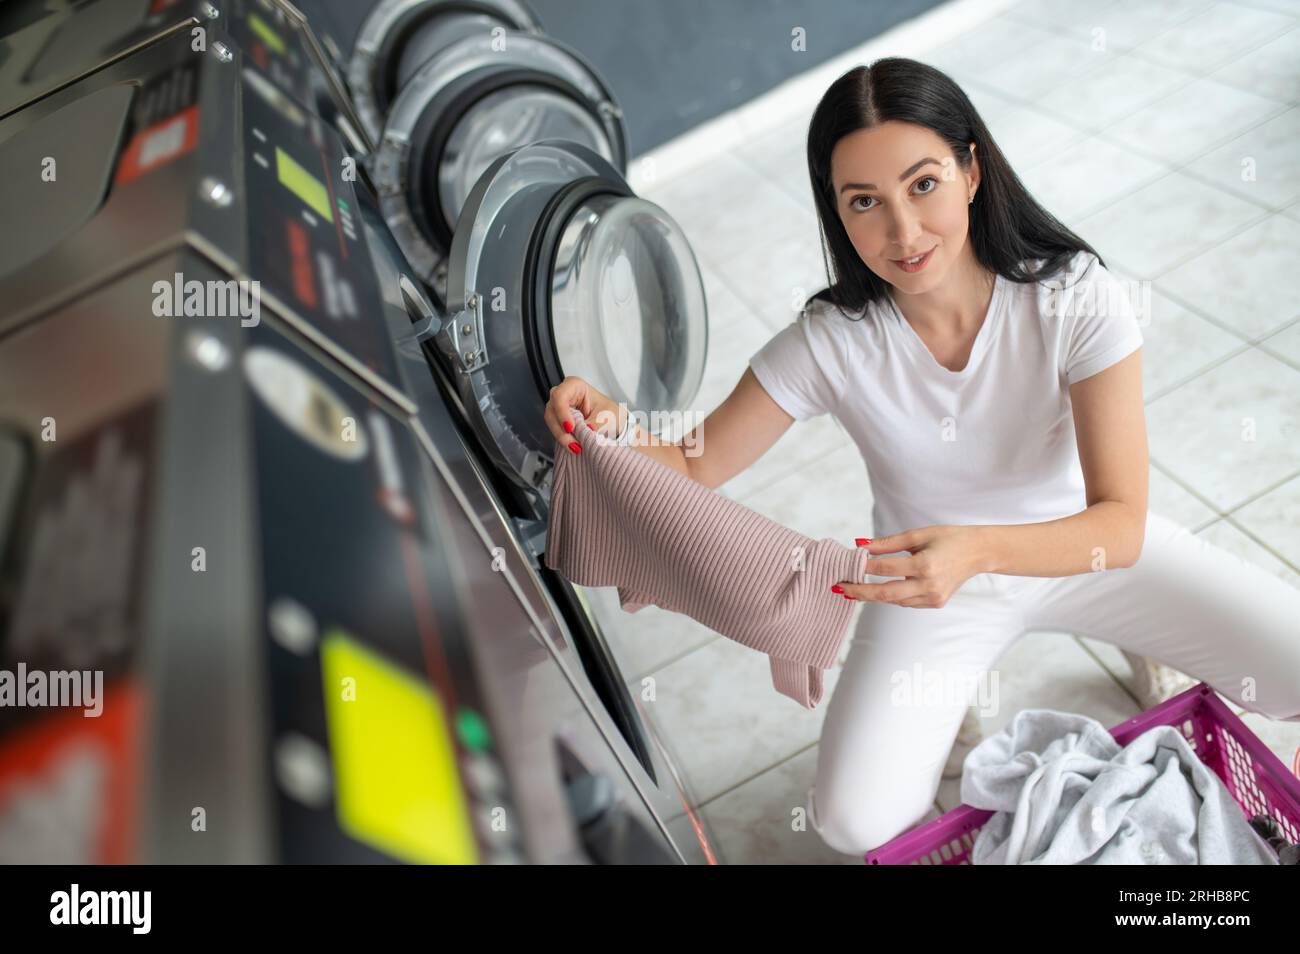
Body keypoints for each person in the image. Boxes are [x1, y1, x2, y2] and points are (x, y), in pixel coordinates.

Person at [542, 57, 1300, 857]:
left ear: (972, 170)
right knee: (851, 821)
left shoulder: (1073, 294)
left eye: (924, 184)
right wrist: (610, 428)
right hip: (931, 593)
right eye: (864, 202)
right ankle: (956, 689)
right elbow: (695, 466)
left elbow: (1122, 518)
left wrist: (976, 548)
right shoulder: (831, 340)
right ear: (837, 213)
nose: (902, 232)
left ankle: (1136, 631)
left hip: (1087, 550)